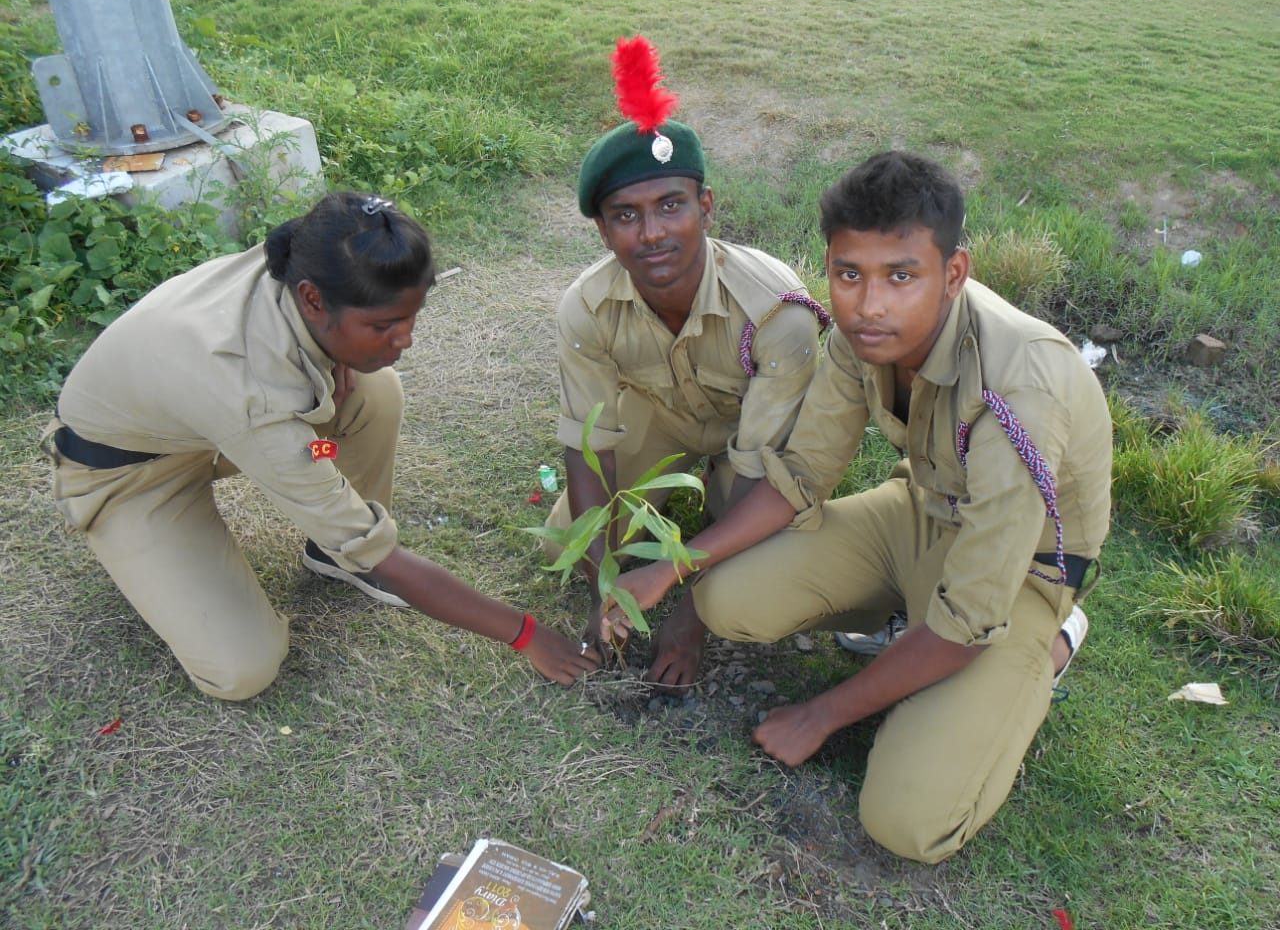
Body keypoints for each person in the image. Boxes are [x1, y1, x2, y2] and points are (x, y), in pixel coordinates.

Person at [600, 152, 1112, 863]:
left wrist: (821, 714)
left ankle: (1049, 645)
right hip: (917, 513)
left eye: (901, 276)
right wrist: (673, 565)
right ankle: (907, 625)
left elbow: (970, 615)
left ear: (954, 274)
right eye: (849, 274)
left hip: (1021, 573)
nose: (869, 305)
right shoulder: (859, 337)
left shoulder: (1020, 387)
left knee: (908, 824)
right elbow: (802, 474)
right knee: (724, 596)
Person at [43, 191, 601, 700]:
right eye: (383, 326)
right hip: (132, 474)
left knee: (374, 392)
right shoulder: (253, 393)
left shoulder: (309, 258)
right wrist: (526, 633)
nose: (405, 339)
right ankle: (317, 544)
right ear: (312, 300)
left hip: (208, 427)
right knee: (242, 669)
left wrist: (334, 358)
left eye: (411, 318)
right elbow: (384, 554)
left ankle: (331, 554)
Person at [548, 110, 829, 662]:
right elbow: (587, 448)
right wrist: (603, 590)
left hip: (753, 442)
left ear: (706, 207)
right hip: (661, 417)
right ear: (603, 231)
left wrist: (691, 615)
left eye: (671, 206)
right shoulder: (586, 306)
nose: (652, 233)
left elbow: (764, 466)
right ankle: (692, 494)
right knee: (570, 541)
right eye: (626, 215)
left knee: (759, 552)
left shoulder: (776, 312)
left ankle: (711, 498)